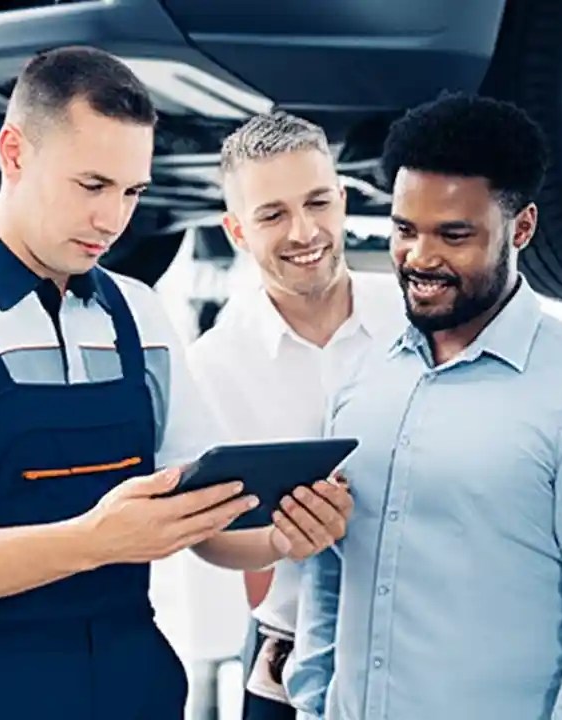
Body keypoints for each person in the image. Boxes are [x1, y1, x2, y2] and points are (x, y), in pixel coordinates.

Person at [0, 46, 350, 720]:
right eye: (92, 185)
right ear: (14, 153)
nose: (114, 219)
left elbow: (203, 519)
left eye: (133, 192)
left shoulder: (138, 315)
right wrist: (93, 540)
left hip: (131, 684)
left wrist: (283, 535)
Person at [283, 94, 562, 720]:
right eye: (404, 230)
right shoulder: (362, 380)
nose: (420, 258)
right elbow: (333, 572)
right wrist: (310, 705)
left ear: (520, 228)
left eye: (454, 235)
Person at [186, 112, 406, 720]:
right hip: (288, 659)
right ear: (236, 230)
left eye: (317, 202)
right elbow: (207, 536)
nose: (304, 231)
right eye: (272, 214)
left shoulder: (417, 320)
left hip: (423, 651)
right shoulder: (211, 366)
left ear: (341, 199)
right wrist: (279, 540)